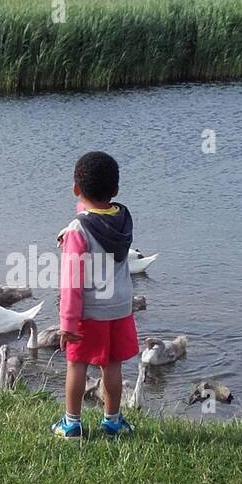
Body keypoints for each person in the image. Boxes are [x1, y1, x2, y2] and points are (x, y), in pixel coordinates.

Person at [52, 150, 139, 439]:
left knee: (77, 365)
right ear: (115, 190)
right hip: (121, 307)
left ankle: (71, 423)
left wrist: (68, 322)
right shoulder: (123, 219)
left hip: (89, 311)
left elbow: (72, 283)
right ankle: (112, 421)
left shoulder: (77, 231)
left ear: (76, 189)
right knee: (112, 366)